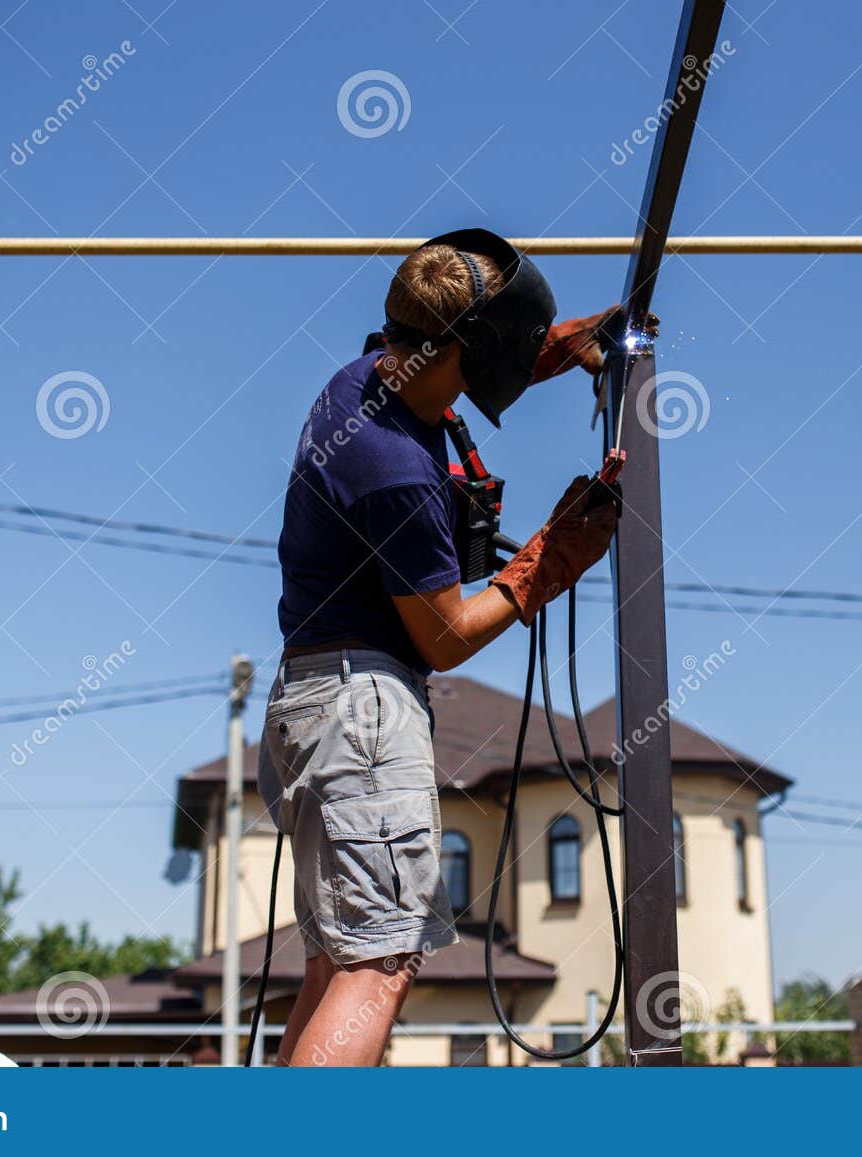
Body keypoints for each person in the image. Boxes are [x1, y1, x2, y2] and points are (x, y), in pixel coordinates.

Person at [256, 229, 618, 1066]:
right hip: (362, 714)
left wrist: (557, 349)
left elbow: (459, 370)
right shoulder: (395, 470)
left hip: (310, 699)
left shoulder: (361, 382)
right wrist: (545, 563)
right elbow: (447, 635)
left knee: (339, 959)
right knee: (381, 962)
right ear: (464, 348)